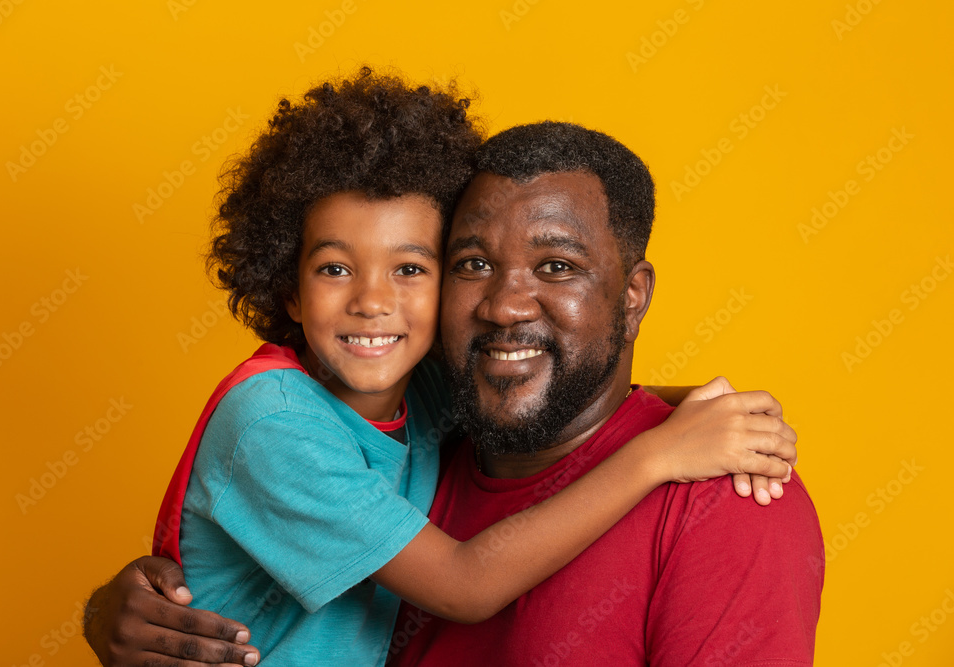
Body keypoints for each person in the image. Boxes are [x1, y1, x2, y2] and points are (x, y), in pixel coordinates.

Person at [81, 76, 807, 665]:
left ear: (635, 293)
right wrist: (106, 610)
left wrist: (689, 413)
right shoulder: (293, 420)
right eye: (475, 264)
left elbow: (566, 384)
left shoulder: (714, 501)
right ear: (288, 289)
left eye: (410, 268)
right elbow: (466, 583)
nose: (373, 301)